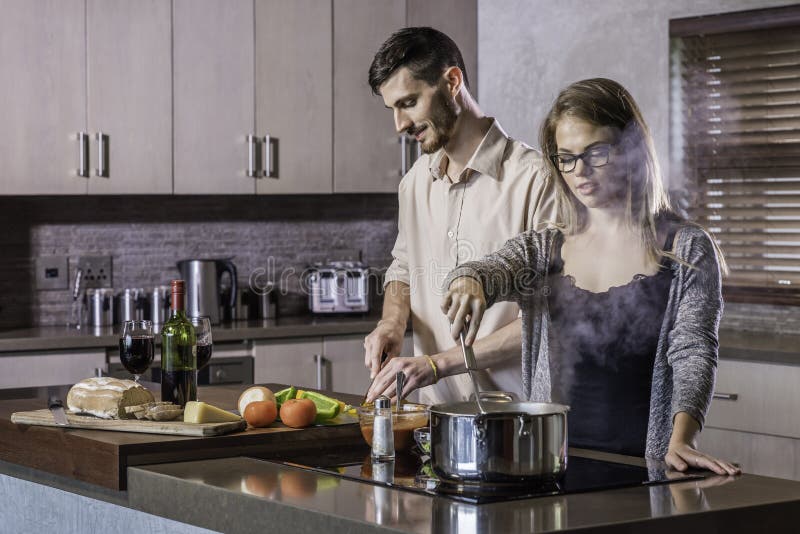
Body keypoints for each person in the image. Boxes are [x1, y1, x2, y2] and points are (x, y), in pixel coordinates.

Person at [441, 78, 741, 475]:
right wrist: (469, 282)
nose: (579, 171)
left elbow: (693, 352)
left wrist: (682, 439)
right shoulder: (543, 249)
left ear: (632, 146)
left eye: (595, 153)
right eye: (565, 157)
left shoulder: (685, 248)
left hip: (649, 465)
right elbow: (487, 269)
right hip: (550, 463)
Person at [363, 27, 555, 404]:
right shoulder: (415, 182)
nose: (399, 125)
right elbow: (403, 270)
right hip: (432, 425)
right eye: (393, 109)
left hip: (517, 428)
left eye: (409, 103)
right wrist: (392, 322)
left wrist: (438, 364)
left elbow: (551, 322)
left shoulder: (536, 179)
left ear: (452, 81)